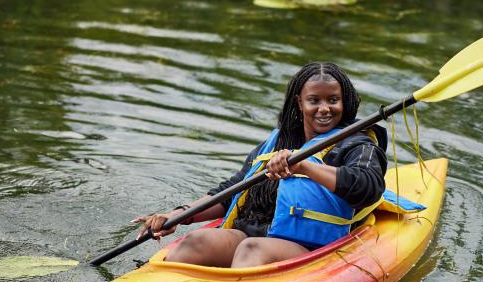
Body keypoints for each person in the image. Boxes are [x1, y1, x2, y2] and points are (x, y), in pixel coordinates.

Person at [133, 62, 388, 269]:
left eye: (333, 100)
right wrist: (179, 215)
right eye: (314, 100)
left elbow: (368, 187)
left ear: (345, 102)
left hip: (310, 247)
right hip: (254, 233)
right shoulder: (279, 140)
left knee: (251, 250)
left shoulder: (357, 144)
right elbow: (233, 190)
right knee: (196, 241)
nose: (324, 109)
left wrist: (304, 166)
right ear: (299, 103)